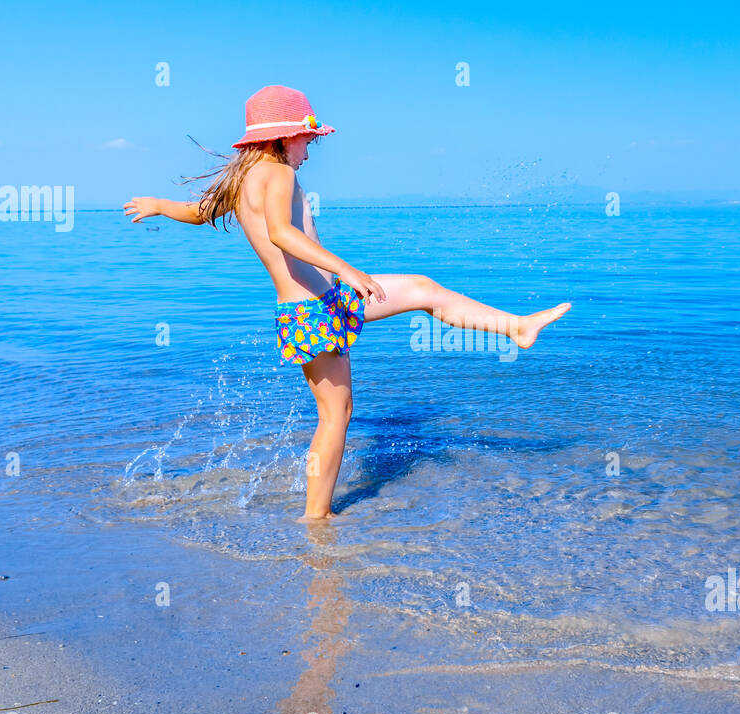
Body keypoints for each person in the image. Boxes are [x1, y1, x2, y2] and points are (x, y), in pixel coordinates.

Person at [124, 85, 570, 519]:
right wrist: (347, 270)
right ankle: (316, 517)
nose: (309, 149)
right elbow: (282, 232)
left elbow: (200, 213)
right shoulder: (279, 173)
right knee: (335, 416)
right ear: (282, 136)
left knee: (423, 290)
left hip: (316, 307)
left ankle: (517, 327)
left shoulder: (242, 179)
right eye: (307, 138)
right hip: (316, 309)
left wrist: (160, 204)